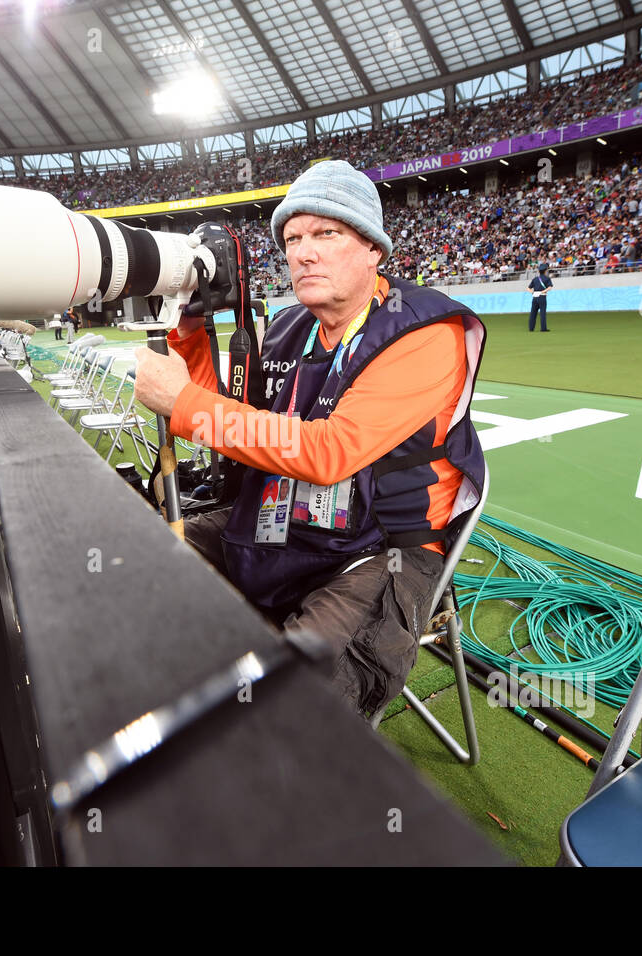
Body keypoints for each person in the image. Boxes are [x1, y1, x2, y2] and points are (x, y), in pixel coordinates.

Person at [133, 160, 486, 719]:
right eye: (292, 238)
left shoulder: (424, 332)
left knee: (292, 705)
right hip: (283, 513)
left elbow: (328, 453)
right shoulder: (286, 326)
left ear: (373, 248)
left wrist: (184, 404)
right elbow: (238, 430)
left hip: (383, 546)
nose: (303, 252)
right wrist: (191, 331)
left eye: (327, 233)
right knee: (138, 568)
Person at [527, 263, 552, 331]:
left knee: (533, 313)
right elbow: (550, 287)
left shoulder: (535, 279)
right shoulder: (547, 278)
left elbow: (528, 288)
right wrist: (543, 291)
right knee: (542, 313)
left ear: (539, 271)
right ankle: (543, 328)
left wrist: (533, 292)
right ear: (545, 270)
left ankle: (531, 328)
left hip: (535, 297)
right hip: (542, 297)